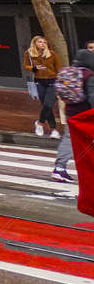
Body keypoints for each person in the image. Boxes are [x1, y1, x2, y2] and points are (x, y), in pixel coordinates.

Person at [52, 43, 92, 183]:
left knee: (69, 139)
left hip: (70, 111)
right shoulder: (88, 75)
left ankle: (60, 168)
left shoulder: (68, 72)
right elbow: (92, 96)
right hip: (86, 114)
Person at [23, 34, 62, 137]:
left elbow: (59, 68)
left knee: (48, 104)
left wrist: (61, 82)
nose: (43, 44)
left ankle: (39, 123)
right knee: (45, 105)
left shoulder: (52, 54)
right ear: (35, 43)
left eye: (45, 42)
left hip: (52, 81)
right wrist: (34, 68)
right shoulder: (29, 53)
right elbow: (26, 66)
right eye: (40, 42)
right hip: (39, 82)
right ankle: (54, 130)